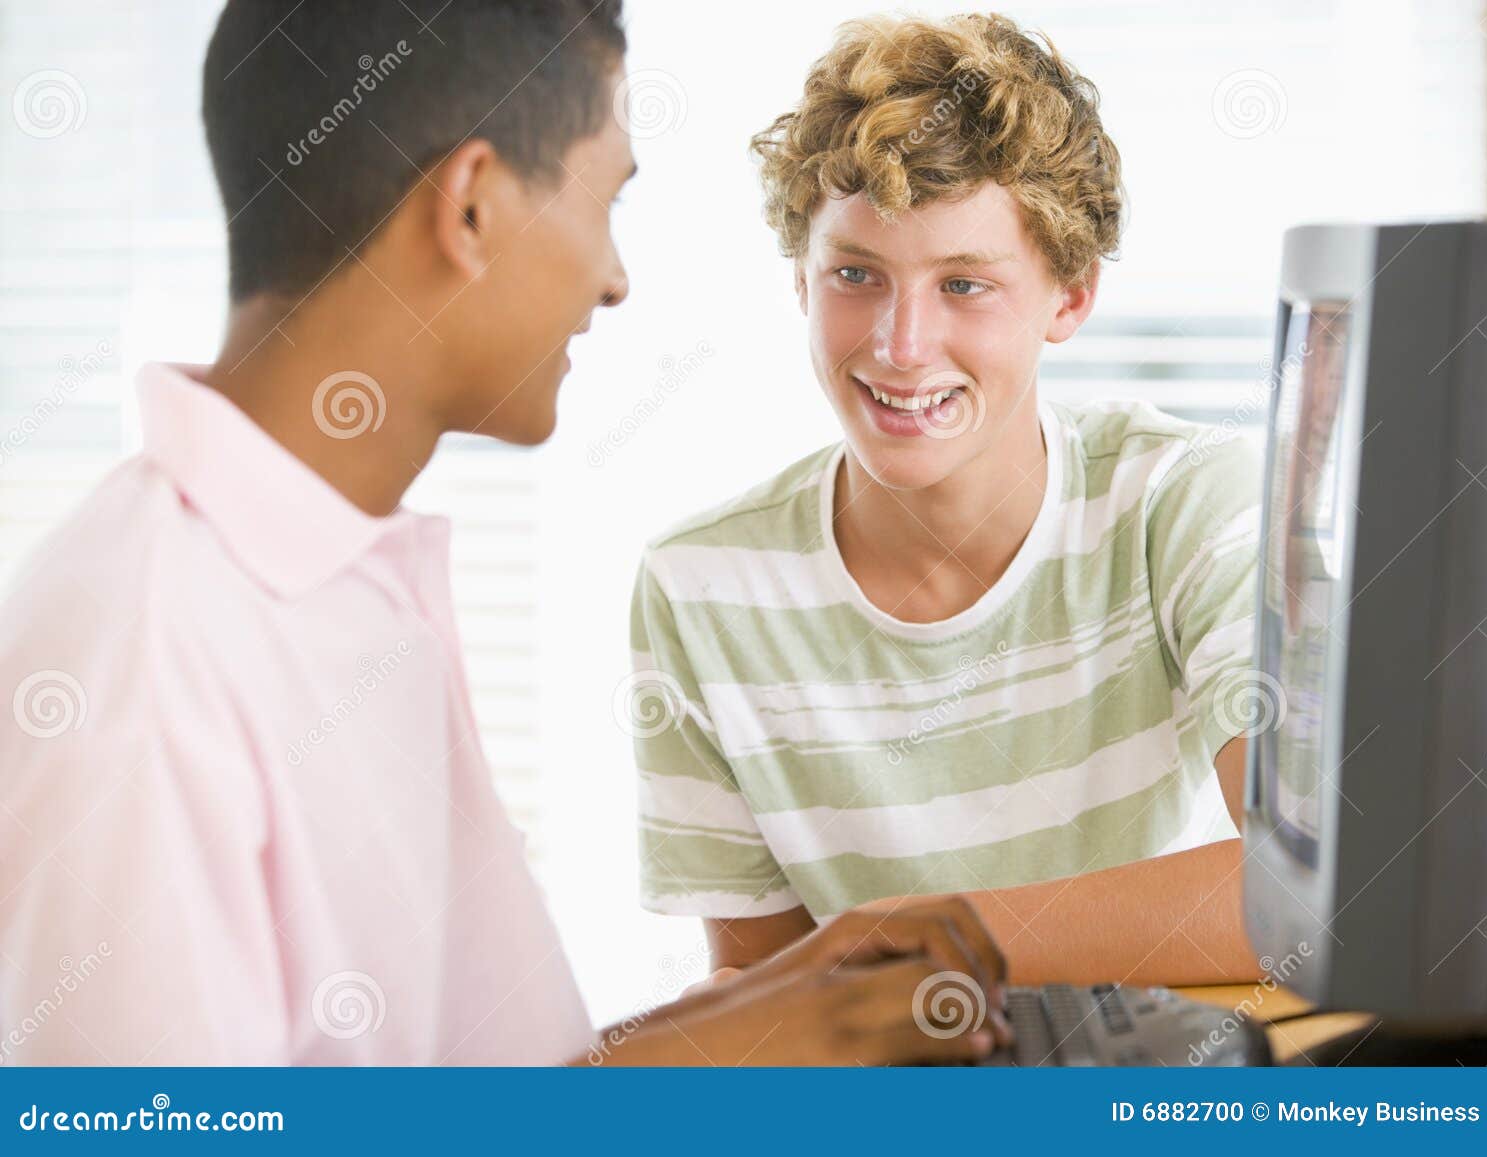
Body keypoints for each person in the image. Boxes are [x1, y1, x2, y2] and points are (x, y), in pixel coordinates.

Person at [0, 0, 1009, 1066]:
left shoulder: (346, 575)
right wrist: (716, 1064)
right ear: (470, 206)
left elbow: (444, 1078)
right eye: (603, 201)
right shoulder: (139, 658)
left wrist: (769, 1005)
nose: (613, 279)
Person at [630, 14, 1264, 987]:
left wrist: (908, 938)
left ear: (1070, 296)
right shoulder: (701, 587)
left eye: (964, 283)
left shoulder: (1179, 504)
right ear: (801, 275)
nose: (900, 344)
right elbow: (764, 1003)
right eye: (855, 274)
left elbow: (1311, 894)